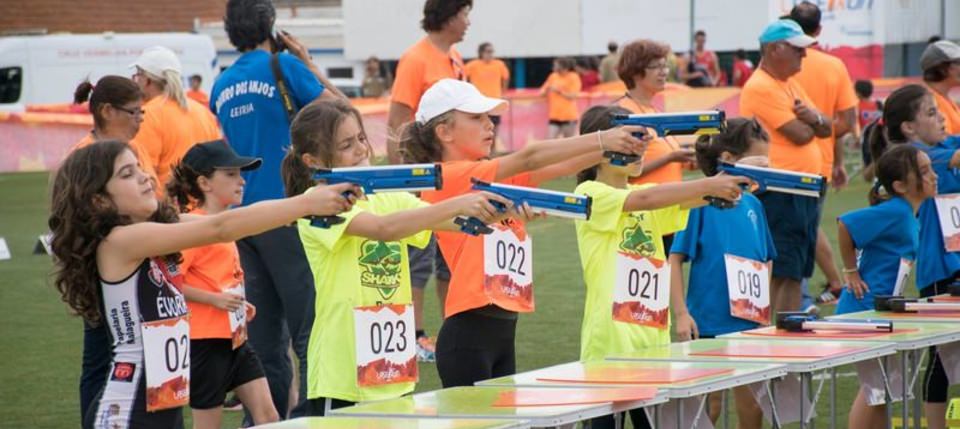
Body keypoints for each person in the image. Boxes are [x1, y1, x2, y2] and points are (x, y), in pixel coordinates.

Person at [49, 140, 356, 429]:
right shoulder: (120, 241)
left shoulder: (152, 230)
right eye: (127, 174)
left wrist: (308, 206)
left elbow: (235, 223)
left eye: (139, 167)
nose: (144, 177)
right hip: (127, 410)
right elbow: (220, 227)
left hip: (160, 403)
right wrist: (304, 203)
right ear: (99, 200)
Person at [400, 78, 646, 388]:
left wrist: (620, 149)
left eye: (489, 117)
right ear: (444, 131)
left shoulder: (486, 175)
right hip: (469, 334)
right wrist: (603, 140)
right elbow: (530, 158)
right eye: (476, 118)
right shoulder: (448, 175)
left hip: (502, 329)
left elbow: (559, 165)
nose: (490, 124)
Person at [282, 99, 514, 415]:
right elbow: (383, 229)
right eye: (347, 145)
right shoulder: (315, 204)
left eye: (361, 138)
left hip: (391, 369)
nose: (361, 150)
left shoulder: (383, 196)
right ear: (312, 160)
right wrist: (460, 203)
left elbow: (446, 221)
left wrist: (509, 211)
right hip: (343, 374)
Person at [574, 106, 751, 429]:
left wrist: (740, 178)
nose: (642, 147)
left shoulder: (643, 193)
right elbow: (648, 200)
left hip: (651, 346)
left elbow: (681, 198)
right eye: (633, 140)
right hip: (609, 348)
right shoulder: (589, 194)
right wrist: (712, 184)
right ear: (600, 148)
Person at [212, 0, 344, 420]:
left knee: (264, 340)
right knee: (310, 332)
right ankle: (316, 418)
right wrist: (306, 62)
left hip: (243, 221)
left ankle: (262, 421)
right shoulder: (283, 67)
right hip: (290, 212)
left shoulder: (221, 84)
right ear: (272, 26)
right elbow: (343, 116)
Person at [165, 140, 280, 429]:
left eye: (239, 173)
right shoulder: (194, 227)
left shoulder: (223, 223)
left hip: (235, 338)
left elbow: (215, 276)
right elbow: (168, 281)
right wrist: (213, 300)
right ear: (204, 182)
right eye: (230, 174)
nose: (241, 180)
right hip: (203, 342)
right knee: (208, 425)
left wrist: (236, 303)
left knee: (268, 417)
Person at [670, 118, 774, 429]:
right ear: (728, 160)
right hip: (708, 324)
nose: (766, 170)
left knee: (754, 405)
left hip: (750, 326)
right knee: (707, 407)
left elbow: (766, 259)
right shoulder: (700, 203)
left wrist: (760, 304)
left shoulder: (755, 204)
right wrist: (681, 314)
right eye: (758, 163)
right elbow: (674, 259)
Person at [386, 0, 473, 361]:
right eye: (465, 13)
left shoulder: (454, 57)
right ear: (449, 16)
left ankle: (453, 327)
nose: (469, 21)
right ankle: (414, 334)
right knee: (418, 257)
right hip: (420, 174)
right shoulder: (416, 59)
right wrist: (402, 177)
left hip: (452, 174)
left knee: (452, 256)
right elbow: (397, 120)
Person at [71, 75, 158, 425]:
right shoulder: (83, 157)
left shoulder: (134, 151)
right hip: (108, 277)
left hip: (142, 272)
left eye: (142, 112)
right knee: (103, 361)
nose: (140, 119)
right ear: (107, 111)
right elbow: (73, 225)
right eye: (134, 112)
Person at [870, 84, 956, 429]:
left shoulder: (945, 147)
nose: (942, 120)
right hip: (939, 270)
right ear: (908, 127)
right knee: (941, 360)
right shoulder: (916, 156)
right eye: (932, 113)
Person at [837, 144, 936, 429]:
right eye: (925, 171)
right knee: (875, 390)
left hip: (879, 308)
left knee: (880, 391)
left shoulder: (907, 212)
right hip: (863, 307)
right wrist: (851, 271)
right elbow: (845, 224)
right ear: (900, 185)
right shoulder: (895, 210)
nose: (934, 176)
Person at [739, 19, 833, 315]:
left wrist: (814, 119)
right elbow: (803, 133)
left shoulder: (788, 83)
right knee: (781, 269)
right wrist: (813, 120)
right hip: (780, 189)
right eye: (797, 49)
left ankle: (788, 327)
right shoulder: (761, 87)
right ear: (774, 49)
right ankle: (776, 332)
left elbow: (825, 128)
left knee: (795, 270)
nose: (803, 56)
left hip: (798, 188)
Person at [790, 2, 859, 309]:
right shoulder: (833, 67)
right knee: (806, 226)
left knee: (795, 230)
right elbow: (846, 121)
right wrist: (832, 146)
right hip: (820, 162)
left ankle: (803, 297)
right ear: (818, 30)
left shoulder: (781, 68)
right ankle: (828, 285)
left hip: (782, 162)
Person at [614, 39, 696, 251]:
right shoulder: (622, 114)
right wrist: (669, 158)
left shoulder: (654, 111)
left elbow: (662, 159)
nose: (664, 71)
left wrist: (684, 162)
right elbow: (620, 173)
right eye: (656, 67)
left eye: (665, 65)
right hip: (641, 217)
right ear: (635, 72)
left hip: (665, 214)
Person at [130, 46, 221, 188]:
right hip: (206, 205)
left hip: (168, 206)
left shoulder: (147, 116)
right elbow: (218, 164)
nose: (135, 81)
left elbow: (144, 175)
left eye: (137, 75)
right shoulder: (203, 113)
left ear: (147, 80)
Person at [464, 42, 510, 140]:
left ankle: (492, 153)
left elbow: (506, 78)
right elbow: (463, 78)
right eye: (488, 51)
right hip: (478, 103)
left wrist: (503, 92)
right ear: (481, 52)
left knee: (495, 129)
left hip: (495, 102)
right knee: (479, 129)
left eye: (492, 52)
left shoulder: (499, 64)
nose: (490, 54)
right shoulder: (472, 65)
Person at [921, 40, 960, 135]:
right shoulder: (930, 102)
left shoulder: (944, 99)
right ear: (942, 68)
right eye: (959, 62)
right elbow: (944, 143)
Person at [540, 57, 581, 139]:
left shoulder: (574, 77)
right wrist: (547, 90)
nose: (553, 67)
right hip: (554, 116)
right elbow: (542, 92)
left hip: (569, 117)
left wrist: (559, 91)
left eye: (555, 65)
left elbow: (573, 96)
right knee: (550, 140)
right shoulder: (553, 76)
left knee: (568, 142)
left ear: (563, 67)